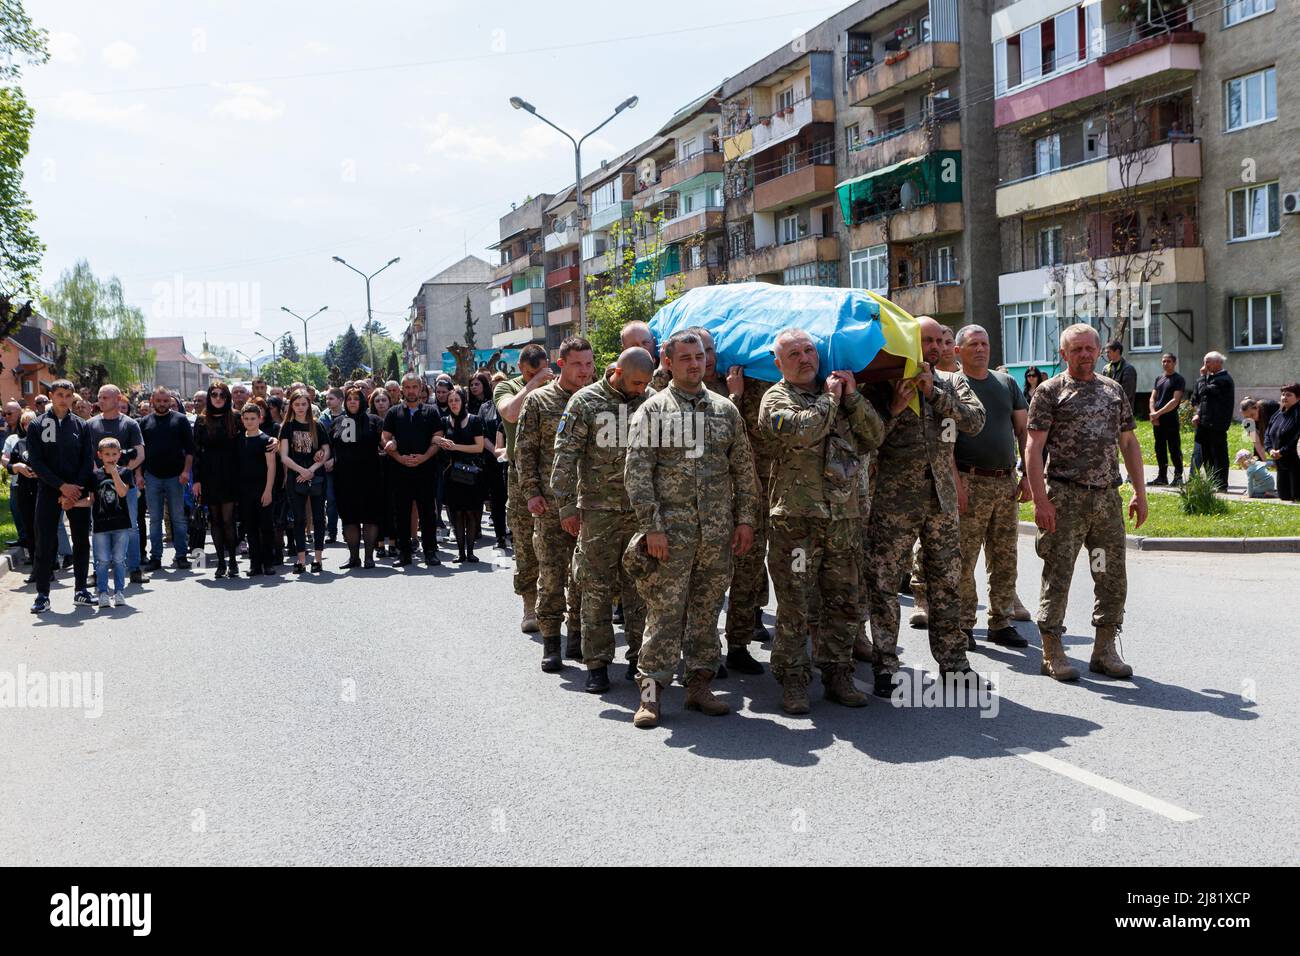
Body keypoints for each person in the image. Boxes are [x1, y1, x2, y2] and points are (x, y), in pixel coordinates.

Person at [625, 331, 757, 728]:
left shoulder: (724, 410)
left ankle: (700, 685)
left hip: (716, 535)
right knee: (664, 615)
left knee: (705, 613)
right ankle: (650, 695)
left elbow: (744, 471)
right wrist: (652, 527)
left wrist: (746, 519)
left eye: (699, 356)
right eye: (685, 358)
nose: (694, 364)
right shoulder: (653, 411)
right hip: (671, 535)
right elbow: (637, 472)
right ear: (667, 360)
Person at [760, 329, 884, 714]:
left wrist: (854, 398)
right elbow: (803, 432)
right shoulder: (775, 398)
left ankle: (838, 674)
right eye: (793, 353)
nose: (804, 358)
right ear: (778, 363)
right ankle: (794, 681)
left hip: (843, 519)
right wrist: (831, 399)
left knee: (843, 602)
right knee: (795, 605)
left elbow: (874, 436)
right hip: (797, 522)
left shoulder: (843, 397)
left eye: (809, 350)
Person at [863, 317, 986, 696]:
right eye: (925, 340)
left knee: (947, 583)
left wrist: (934, 393)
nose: (934, 347)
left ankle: (953, 663)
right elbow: (866, 439)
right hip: (893, 502)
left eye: (939, 341)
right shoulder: (882, 385)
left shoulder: (951, 382)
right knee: (884, 583)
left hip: (941, 502)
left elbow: (975, 421)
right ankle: (885, 664)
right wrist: (896, 407)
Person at [1026, 324, 1148, 681]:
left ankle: (1104, 649)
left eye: (1089, 348)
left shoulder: (1112, 390)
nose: (1084, 354)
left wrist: (1139, 493)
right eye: (1075, 349)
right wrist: (1040, 500)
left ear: (1098, 351)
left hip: (1106, 501)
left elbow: (1128, 443)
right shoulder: (1049, 392)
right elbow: (1034, 449)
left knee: (1108, 574)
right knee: (1059, 574)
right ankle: (1052, 651)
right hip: (1065, 499)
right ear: (1063, 354)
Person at [550, 346, 654, 692]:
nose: (642, 389)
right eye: (637, 382)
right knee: (595, 588)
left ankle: (641, 658)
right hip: (598, 514)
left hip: (641, 514)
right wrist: (566, 506)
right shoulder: (585, 402)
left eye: (646, 384)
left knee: (640, 589)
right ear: (618, 373)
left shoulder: (651, 401)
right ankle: (597, 663)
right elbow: (565, 456)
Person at [950, 324, 1032, 650]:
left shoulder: (1007, 382)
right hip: (969, 479)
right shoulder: (952, 386)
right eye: (973, 344)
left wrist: (1027, 474)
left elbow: (1024, 430)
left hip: (1004, 481)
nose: (981, 349)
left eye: (984, 343)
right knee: (965, 557)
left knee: (1004, 556)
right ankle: (964, 624)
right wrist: (955, 483)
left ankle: (1001, 621)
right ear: (958, 351)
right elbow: (943, 442)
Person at [516, 336, 593, 670]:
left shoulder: (597, 400)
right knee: (551, 573)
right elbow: (525, 451)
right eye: (577, 364)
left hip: (589, 504)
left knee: (583, 575)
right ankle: (551, 641)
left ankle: (576, 636)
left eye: (589, 364)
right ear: (561, 364)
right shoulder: (540, 401)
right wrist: (531, 492)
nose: (585, 371)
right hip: (549, 505)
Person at [494, 343, 552, 631]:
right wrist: (532, 384)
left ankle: (557, 607)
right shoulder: (508, 387)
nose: (540, 376)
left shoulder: (557, 385)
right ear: (521, 369)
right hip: (520, 474)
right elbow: (511, 414)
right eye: (531, 372)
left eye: (542, 370)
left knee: (557, 543)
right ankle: (530, 606)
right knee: (525, 541)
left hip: (554, 472)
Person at [25, 380, 94, 613]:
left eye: (67, 395)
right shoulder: (37, 425)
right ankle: (43, 594)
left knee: (82, 541)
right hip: (49, 490)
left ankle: (81, 590)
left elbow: (87, 461)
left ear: (72, 397)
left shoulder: (81, 426)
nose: (63, 399)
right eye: (59, 394)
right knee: (45, 542)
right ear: (51, 396)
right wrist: (61, 486)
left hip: (77, 490)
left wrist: (74, 489)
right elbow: (36, 462)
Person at [86, 385, 148, 584]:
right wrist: (96, 475)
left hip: (123, 486)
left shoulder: (129, 424)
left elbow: (140, 453)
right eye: (99, 397)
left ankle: (135, 569)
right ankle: (98, 572)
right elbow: (85, 455)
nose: (100, 401)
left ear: (118, 398)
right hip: (99, 486)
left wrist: (120, 473)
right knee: (98, 527)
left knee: (130, 526)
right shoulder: (90, 424)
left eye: (105, 397)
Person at [381, 372, 443, 567]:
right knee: (402, 513)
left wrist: (424, 457)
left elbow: (438, 438)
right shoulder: (393, 413)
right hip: (400, 471)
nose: (411, 391)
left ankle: (430, 552)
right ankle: (404, 554)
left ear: (421, 388)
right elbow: (385, 437)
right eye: (407, 387)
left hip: (425, 470)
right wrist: (398, 456)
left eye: (414, 387)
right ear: (402, 390)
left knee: (427, 513)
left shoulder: (432, 412)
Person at [139, 385, 195, 571]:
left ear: (171, 401)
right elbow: (140, 452)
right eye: (159, 401)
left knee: (178, 518)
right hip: (152, 476)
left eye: (166, 401)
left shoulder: (180, 420)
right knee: (154, 519)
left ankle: (181, 555)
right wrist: (139, 475)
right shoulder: (144, 422)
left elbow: (190, 449)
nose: (162, 404)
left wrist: (186, 471)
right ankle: (156, 557)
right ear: (152, 401)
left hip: (176, 476)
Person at [193, 381, 242, 578]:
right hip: (209, 474)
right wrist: (196, 480)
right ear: (209, 397)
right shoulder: (202, 419)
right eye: (214, 394)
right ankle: (220, 562)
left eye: (222, 395)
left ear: (227, 397)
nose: (218, 398)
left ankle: (232, 561)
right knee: (215, 521)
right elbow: (196, 450)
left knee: (229, 520)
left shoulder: (235, 417)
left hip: (230, 473)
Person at [280, 388, 331, 573]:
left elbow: (326, 451)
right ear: (291, 406)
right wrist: (302, 470)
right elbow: (284, 456)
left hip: (315, 475)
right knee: (299, 519)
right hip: (296, 476)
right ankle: (301, 560)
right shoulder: (287, 427)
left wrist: (311, 470)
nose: (300, 407)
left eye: (303, 404)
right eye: (297, 404)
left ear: (309, 405)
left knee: (318, 517)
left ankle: (318, 559)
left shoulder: (317, 425)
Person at [82, 437, 134, 607]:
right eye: (107, 454)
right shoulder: (94, 476)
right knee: (102, 560)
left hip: (121, 525)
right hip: (101, 526)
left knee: (119, 559)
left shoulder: (125, 472)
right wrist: (73, 503)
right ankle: (102, 592)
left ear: (119, 455)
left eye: (114, 454)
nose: (111, 457)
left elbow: (122, 493)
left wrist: (114, 473)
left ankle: (119, 592)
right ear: (100, 456)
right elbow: (91, 500)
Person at [437, 385, 486, 563]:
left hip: (471, 473)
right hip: (452, 474)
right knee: (456, 513)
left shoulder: (474, 420)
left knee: (471, 513)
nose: (453, 403)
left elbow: (479, 447)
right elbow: (434, 438)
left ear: (463, 401)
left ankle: (471, 551)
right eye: (450, 401)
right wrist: (440, 441)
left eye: (456, 400)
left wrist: (455, 446)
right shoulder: (444, 421)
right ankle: (461, 552)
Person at [236, 402, 277, 576]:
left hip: (263, 489)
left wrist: (268, 491)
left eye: (253, 418)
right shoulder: (238, 439)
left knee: (266, 527)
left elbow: (271, 467)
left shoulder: (266, 440)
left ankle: (268, 562)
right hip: (245, 491)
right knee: (250, 527)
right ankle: (255, 563)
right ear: (242, 419)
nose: (249, 422)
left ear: (259, 419)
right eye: (246, 419)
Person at [1190, 351, 1234, 491]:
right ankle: (1211, 482)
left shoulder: (1224, 380)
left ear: (1218, 363)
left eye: (1208, 361)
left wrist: (1203, 377)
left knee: (1218, 454)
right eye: (1205, 361)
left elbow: (1205, 392)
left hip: (1217, 423)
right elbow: (1198, 399)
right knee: (1206, 454)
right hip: (1204, 423)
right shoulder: (1208, 379)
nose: (1205, 365)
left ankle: (1221, 484)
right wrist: (1198, 413)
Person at [476, 372, 508, 549]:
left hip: (511, 460)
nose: (497, 389)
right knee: (496, 501)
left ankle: (516, 536)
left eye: (501, 386)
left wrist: (504, 451)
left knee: (512, 500)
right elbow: (481, 433)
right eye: (494, 386)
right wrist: (495, 451)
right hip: (492, 460)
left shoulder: (513, 405)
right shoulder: (485, 407)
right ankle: (500, 536)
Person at [3, 409, 39, 562]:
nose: (27, 426)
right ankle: (34, 564)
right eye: (24, 423)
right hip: (24, 489)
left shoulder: (46, 442)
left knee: (43, 529)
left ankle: (51, 563)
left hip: (42, 489)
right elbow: (9, 464)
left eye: (31, 423)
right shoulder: (20, 443)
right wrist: (17, 467)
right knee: (29, 528)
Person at [1148, 353, 1186, 486]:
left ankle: (1178, 476)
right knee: (1160, 448)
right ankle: (1162, 477)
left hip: (1170, 420)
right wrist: (1153, 414)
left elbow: (1175, 401)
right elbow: (1153, 397)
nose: (1165, 364)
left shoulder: (1178, 379)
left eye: (1168, 361)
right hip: (1158, 420)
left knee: (1174, 448)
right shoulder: (1159, 378)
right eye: (1163, 361)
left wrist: (1158, 413)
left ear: (1174, 363)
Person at [368, 388, 396, 557]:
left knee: (392, 505)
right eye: (377, 401)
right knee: (377, 506)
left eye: (383, 400)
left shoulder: (396, 416)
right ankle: (379, 544)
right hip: (374, 466)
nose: (380, 403)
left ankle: (393, 542)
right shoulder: (368, 420)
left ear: (389, 401)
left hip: (394, 464)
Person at [1262, 384, 1300, 501]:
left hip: (1294, 462)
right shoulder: (1278, 414)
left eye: (1289, 395)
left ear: (1298, 398)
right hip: (1280, 461)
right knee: (1284, 496)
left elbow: (1296, 437)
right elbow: (1268, 433)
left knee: (1296, 496)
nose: (1284, 397)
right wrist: (1269, 449)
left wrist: (1282, 451)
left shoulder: (1298, 414)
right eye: (1283, 394)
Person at [1102, 339, 1138, 414]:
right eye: (1106, 352)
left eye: (1109, 352)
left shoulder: (1128, 369)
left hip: (1123, 413)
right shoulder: (1106, 369)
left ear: (1117, 351)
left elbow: (1127, 394)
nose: (1106, 355)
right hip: (1108, 411)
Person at [1240, 397, 1279, 463]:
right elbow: (1257, 442)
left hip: (1279, 432)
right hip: (1264, 434)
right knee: (1259, 462)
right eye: (1246, 417)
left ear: (1257, 407)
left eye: (1252, 415)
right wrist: (1265, 462)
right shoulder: (1247, 422)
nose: (1250, 419)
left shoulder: (1269, 406)